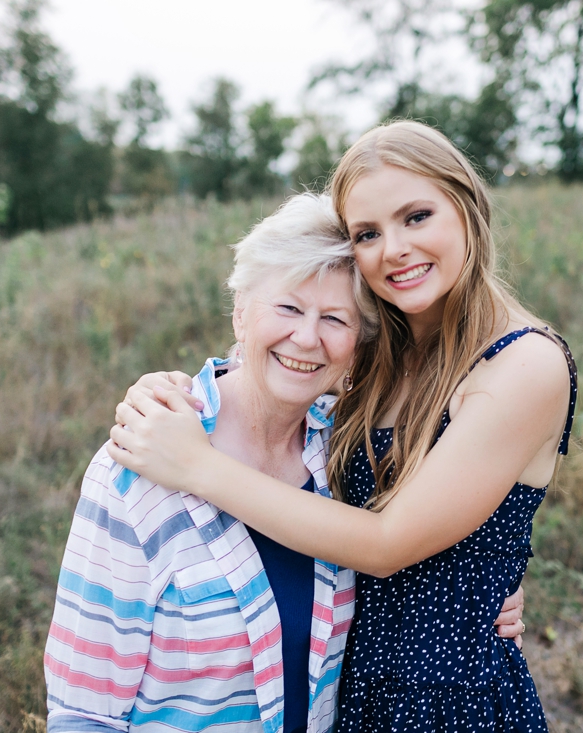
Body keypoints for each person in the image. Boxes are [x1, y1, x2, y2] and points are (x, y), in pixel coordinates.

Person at [110, 121, 575, 732]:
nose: (394, 249)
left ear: (467, 205)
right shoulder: (390, 348)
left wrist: (196, 466)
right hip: (349, 686)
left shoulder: (525, 365)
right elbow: (282, 358)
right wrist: (173, 391)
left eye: (417, 216)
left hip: (446, 700)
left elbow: (387, 547)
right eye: (367, 233)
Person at [45, 192, 525, 733]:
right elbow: (84, 714)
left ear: (359, 345)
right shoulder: (140, 466)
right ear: (241, 313)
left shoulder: (350, 454)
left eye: (335, 319)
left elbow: (415, 539)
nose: (306, 337)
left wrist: (486, 586)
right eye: (288, 308)